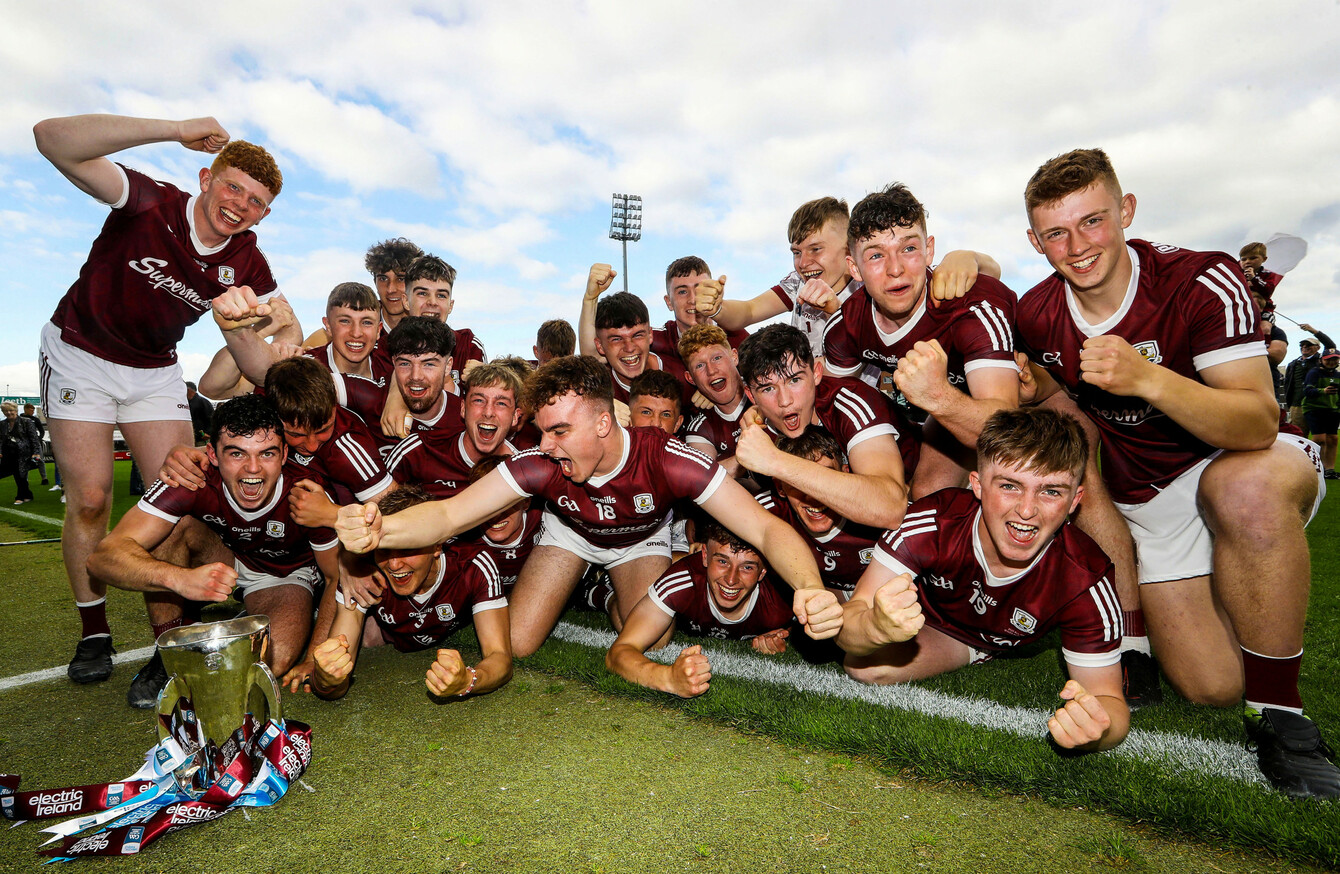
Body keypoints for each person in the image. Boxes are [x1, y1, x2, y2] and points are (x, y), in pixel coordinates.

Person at [1014, 148, 1335, 796]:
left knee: (1239, 491)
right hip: (1152, 505)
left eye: (1093, 221)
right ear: (1036, 241)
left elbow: (1255, 423)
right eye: (1056, 232)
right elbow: (1049, 384)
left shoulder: (1198, 280)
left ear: (1126, 211)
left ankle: (1283, 718)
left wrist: (1147, 378)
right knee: (1209, 685)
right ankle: (1236, 587)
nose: (1077, 246)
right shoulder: (1037, 312)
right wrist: (1032, 392)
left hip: (1240, 462)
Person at [334, 355, 843, 658]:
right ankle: (587, 580)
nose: (547, 444)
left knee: (651, 641)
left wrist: (812, 590)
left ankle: (602, 592)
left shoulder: (671, 461)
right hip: (571, 534)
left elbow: (765, 528)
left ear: (603, 424)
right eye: (543, 430)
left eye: (559, 431)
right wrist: (380, 529)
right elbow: (448, 515)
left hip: (638, 540)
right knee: (518, 644)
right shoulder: (541, 463)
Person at [33, 112, 283, 684]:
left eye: (256, 202)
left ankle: (170, 641)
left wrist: (242, 330)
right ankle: (93, 627)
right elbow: (51, 139)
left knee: (180, 495)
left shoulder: (247, 260)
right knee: (92, 498)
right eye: (233, 187)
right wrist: (173, 128)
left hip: (153, 370)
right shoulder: (147, 202)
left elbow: (267, 352)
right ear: (205, 177)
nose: (241, 205)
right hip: (80, 351)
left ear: (264, 215)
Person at [837, 408, 1129, 753]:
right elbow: (849, 629)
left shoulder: (1085, 578)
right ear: (976, 485)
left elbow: (1109, 702)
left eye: (1051, 491)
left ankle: (980, 649)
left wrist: (1097, 731)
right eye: (1009, 485)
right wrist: (876, 627)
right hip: (931, 620)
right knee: (865, 664)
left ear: (1074, 501)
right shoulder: (932, 522)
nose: (1026, 510)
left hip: (982, 638)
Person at [88, 394, 338, 706]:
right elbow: (102, 557)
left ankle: (250, 616)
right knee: (172, 528)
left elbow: (335, 577)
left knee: (266, 665)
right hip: (225, 554)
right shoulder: (190, 476)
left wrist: (315, 655)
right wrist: (178, 579)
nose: (253, 469)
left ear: (285, 453)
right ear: (212, 454)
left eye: (267, 453)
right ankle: (168, 654)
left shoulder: (307, 491)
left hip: (281, 576)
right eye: (237, 453)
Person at [822, 183, 1019, 497]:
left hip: (1031, 397)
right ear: (853, 268)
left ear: (929, 249)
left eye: (909, 249)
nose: (896, 269)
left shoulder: (971, 305)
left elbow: (1008, 429)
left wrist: (937, 396)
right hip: (950, 409)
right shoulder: (845, 324)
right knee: (926, 494)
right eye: (875, 256)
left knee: (1054, 483)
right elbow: (830, 398)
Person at [310, 485, 512, 701]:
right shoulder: (362, 574)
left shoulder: (473, 564)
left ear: (437, 545)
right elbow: (333, 686)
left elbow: (499, 658)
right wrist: (326, 679)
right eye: (385, 549)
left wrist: (467, 681)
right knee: (365, 639)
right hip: (381, 630)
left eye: (407, 549)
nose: (395, 564)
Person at [735, 324, 912, 530]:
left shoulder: (850, 402)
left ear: (817, 373)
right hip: (844, 524)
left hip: (915, 482)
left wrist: (776, 462)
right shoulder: (759, 430)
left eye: (794, 380)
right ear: (750, 395)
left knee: (927, 487)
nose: (784, 401)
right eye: (768, 388)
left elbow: (890, 510)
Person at [605, 522, 795, 698]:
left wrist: (783, 635)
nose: (731, 579)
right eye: (722, 562)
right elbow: (619, 652)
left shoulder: (782, 599)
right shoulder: (682, 581)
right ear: (704, 556)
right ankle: (605, 591)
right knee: (655, 640)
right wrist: (668, 678)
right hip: (672, 566)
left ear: (763, 572)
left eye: (747, 567)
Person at [755, 427, 882, 600]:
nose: (813, 497)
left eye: (826, 477)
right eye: (798, 482)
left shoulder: (877, 512)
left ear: (847, 477)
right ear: (780, 487)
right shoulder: (765, 512)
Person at [386, 361, 522, 497]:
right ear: (463, 408)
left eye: (501, 403)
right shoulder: (416, 451)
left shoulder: (522, 471)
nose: (488, 412)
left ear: (515, 417)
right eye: (479, 400)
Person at [303, 238, 423, 347]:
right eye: (383, 279)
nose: (391, 289)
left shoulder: (427, 327)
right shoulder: (350, 323)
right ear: (374, 281)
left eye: (401, 279)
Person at [678, 323, 751, 479]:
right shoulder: (699, 429)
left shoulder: (765, 393)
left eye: (717, 358)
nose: (711, 371)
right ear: (690, 378)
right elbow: (704, 479)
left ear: (734, 357)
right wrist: (755, 454)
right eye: (700, 365)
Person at [1284, 328, 1336, 427]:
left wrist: (1313, 330)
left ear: (1318, 348)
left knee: (1321, 437)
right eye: (1302, 345)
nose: (1304, 347)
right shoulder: (1293, 364)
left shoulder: (1322, 361)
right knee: (1298, 437)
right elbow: (1288, 384)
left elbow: (1331, 346)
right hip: (1297, 405)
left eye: (1308, 345)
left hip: (1319, 404)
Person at [1302, 350, 1339, 478]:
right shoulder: (1314, 373)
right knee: (1319, 439)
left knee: (1333, 439)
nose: (1331, 362)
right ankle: (1314, 468)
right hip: (1314, 408)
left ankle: (1329, 470)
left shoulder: (1338, 375)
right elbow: (1307, 390)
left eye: (1334, 359)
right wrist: (1323, 391)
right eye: (1328, 359)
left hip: (1332, 409)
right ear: (1321, 360)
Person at [0, 403, 41, 504]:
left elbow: (34, 438)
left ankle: (20, 497)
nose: (9, 413)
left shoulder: (26, 422)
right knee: (17, 474)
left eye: (11, 410)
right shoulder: (2, 424)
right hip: (7, 453)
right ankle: (28, 494)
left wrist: (36, 453)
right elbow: (0, 439)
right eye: (6, 411)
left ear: (16, 410)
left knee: (20, 474)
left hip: (23, 453)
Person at [20, 404, 48, 485]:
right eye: (31, 410)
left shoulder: (35, 419)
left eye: (33, 410)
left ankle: (44, 478)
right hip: (24, 443)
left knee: (40, 460)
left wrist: (39, 439)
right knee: (25, 462)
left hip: (35, 443)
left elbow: (41, 430)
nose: (32, 412)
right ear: (26, 409)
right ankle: (25, 480)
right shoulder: (19, 419)